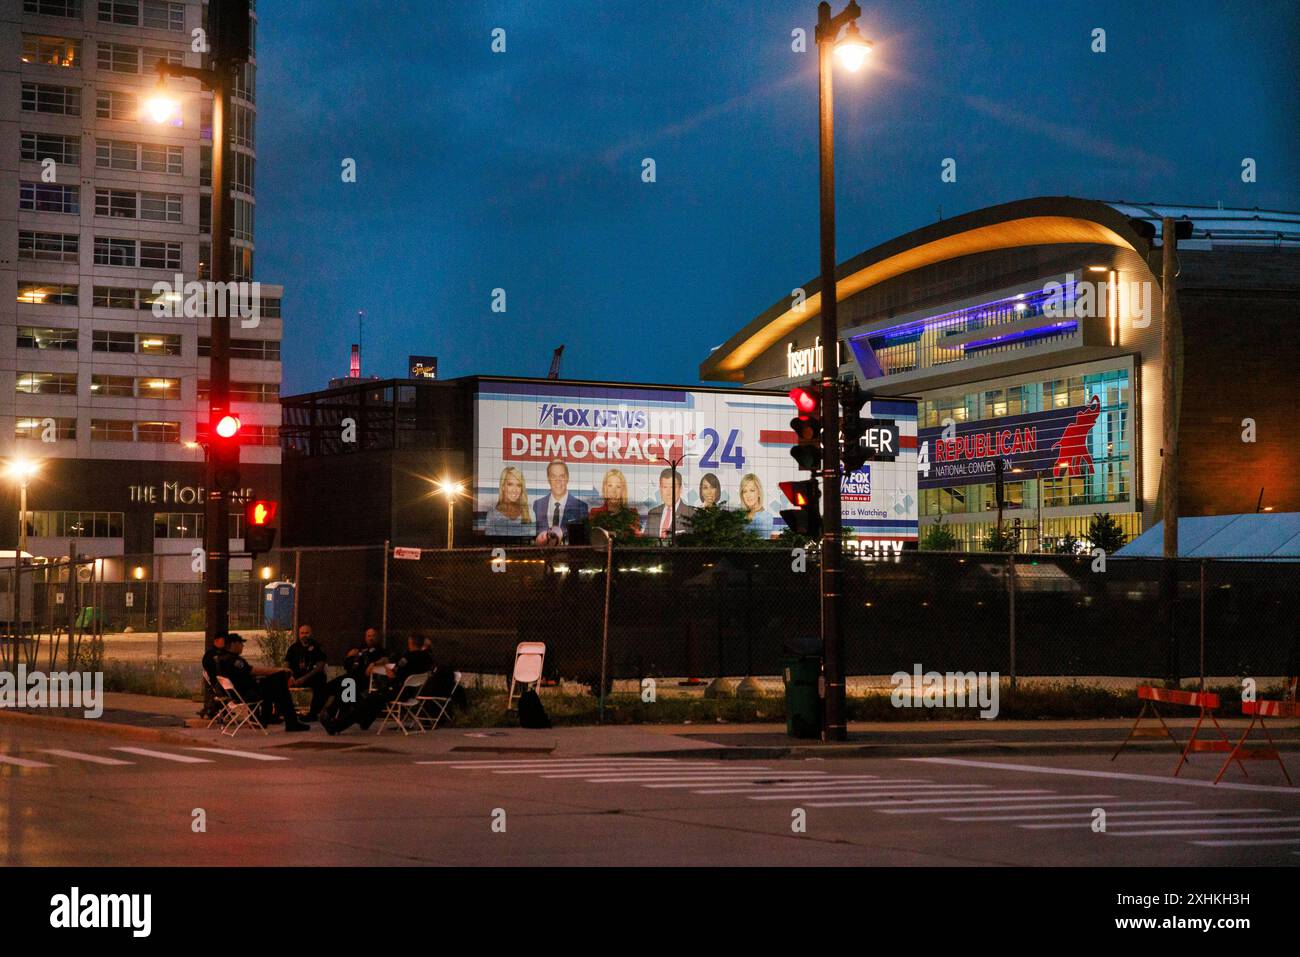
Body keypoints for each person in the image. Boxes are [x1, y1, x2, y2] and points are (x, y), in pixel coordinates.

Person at [322, 634, 433, 735]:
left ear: (410, 643)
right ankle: (364, 721)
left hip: (398, 691)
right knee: (372, 697)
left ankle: (336, 726)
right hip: (411, 692)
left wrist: (388, 670)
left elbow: (394, 675)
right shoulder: (427, 658)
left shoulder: (408, 657)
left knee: (370, 700)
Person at [216, 633, 309, 732]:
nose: (242, 646)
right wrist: (279, 670)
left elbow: (246, 674)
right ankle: (290, 722)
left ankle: (269, 716)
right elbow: (252, 671)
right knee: (280, 680)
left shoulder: (222, 658)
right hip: (247, 693)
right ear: (233, 644)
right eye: (241, 643)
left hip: (237, 693)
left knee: (276, 682)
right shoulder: (233, 660)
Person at [532, 459, 589, 544]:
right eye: (553, 476)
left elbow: (581, 539)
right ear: (548, 479)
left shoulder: (580, 506)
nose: (557, 480)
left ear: (567, 478)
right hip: (542, 554)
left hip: (570, 555)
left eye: (561, 476)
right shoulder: (538, 505)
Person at [285, 623, 328, 721]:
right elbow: (286, 665)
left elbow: (320, 667)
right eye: (302, 633)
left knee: (321, 681)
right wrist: (289, 676)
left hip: (311, 677)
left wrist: (304, 678)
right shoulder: (293, 648)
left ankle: (313, 714)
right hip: (295, 678)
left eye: (307, 633)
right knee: (279, 682)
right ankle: (283, 714)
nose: (304, 635)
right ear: (299, 634)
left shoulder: (317, 647)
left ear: (311, 634)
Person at [588, 468, 641, 535]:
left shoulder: (632, 514)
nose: (613, 491)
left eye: (618, 487)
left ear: (623, 490)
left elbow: (636, 538)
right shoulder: (595, 513)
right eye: (610, 486)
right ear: (605, 488)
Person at [645, 468, 696, 539]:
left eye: (672, 487)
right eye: (665, 487)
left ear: (680, 489)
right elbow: (646, 542)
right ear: (660, 489)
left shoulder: (691, 514)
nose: (669, 493)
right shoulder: (653, 513)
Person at [485, 466, 535, 537]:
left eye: (518, 485)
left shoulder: (530, 513)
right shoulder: (492, 514)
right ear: (502, 486)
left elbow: (532, 542)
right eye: (510, 484)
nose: (515, 490)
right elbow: (490, 542)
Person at [199, 632, 227, 718]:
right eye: (223, 641)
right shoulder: (211, 654)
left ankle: (215, 708)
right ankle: (213, 708)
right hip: (218, 683)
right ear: (216, 641)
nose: (225, 643)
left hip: (220, 682)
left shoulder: (223, 653)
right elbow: (209, 667)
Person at [739, 472, 774, 537]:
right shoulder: (740, 515)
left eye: (752, 490)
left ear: (759, 493)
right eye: (744, 491)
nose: (748, 495)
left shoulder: (766, 517)